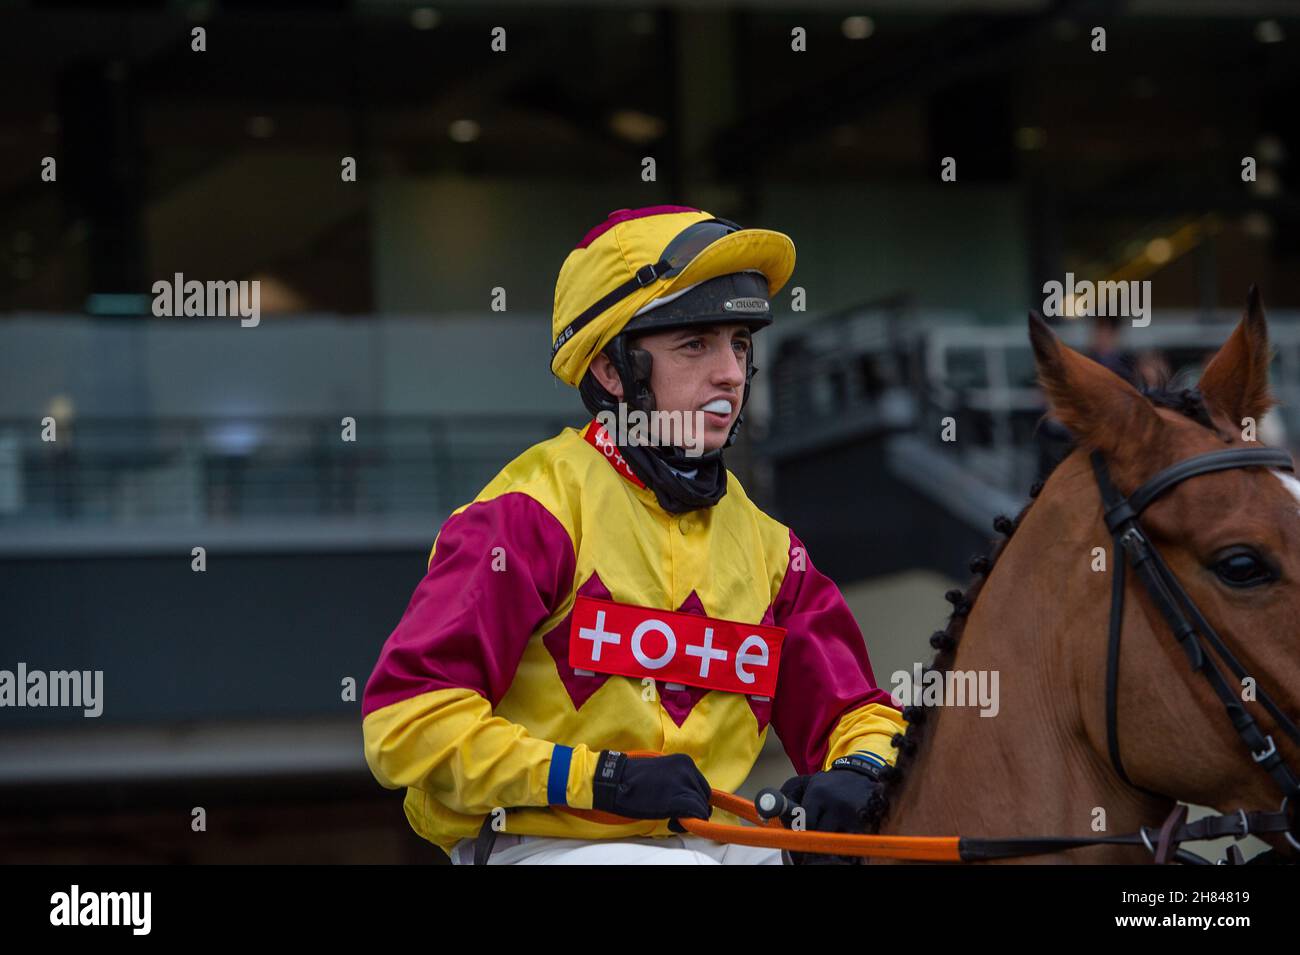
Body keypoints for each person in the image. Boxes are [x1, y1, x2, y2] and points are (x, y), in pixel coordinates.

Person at [361, 205, 907, 864]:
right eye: (695, 344)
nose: (731, 373)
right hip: (539, 842)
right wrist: (598, 779)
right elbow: (405, 720)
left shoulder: (771, 549)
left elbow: (856, 710)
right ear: (611, 369)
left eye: (739, 343)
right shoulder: (527, 516)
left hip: (709, 844)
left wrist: (859, 769)